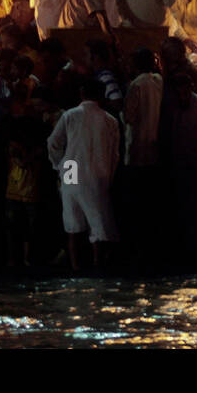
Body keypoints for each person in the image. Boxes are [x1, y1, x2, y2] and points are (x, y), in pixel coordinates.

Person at [47, 78, 122, 271]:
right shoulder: (110, 120)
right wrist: (109, 176)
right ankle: (97, 265)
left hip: (71, 168)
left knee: (72, 222)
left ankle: (76, 265)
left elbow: (53, 143)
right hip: (97, 173)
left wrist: (60, 166)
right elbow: (114, 154)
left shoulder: (70, 115)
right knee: (98, 221)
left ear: (82, 93)